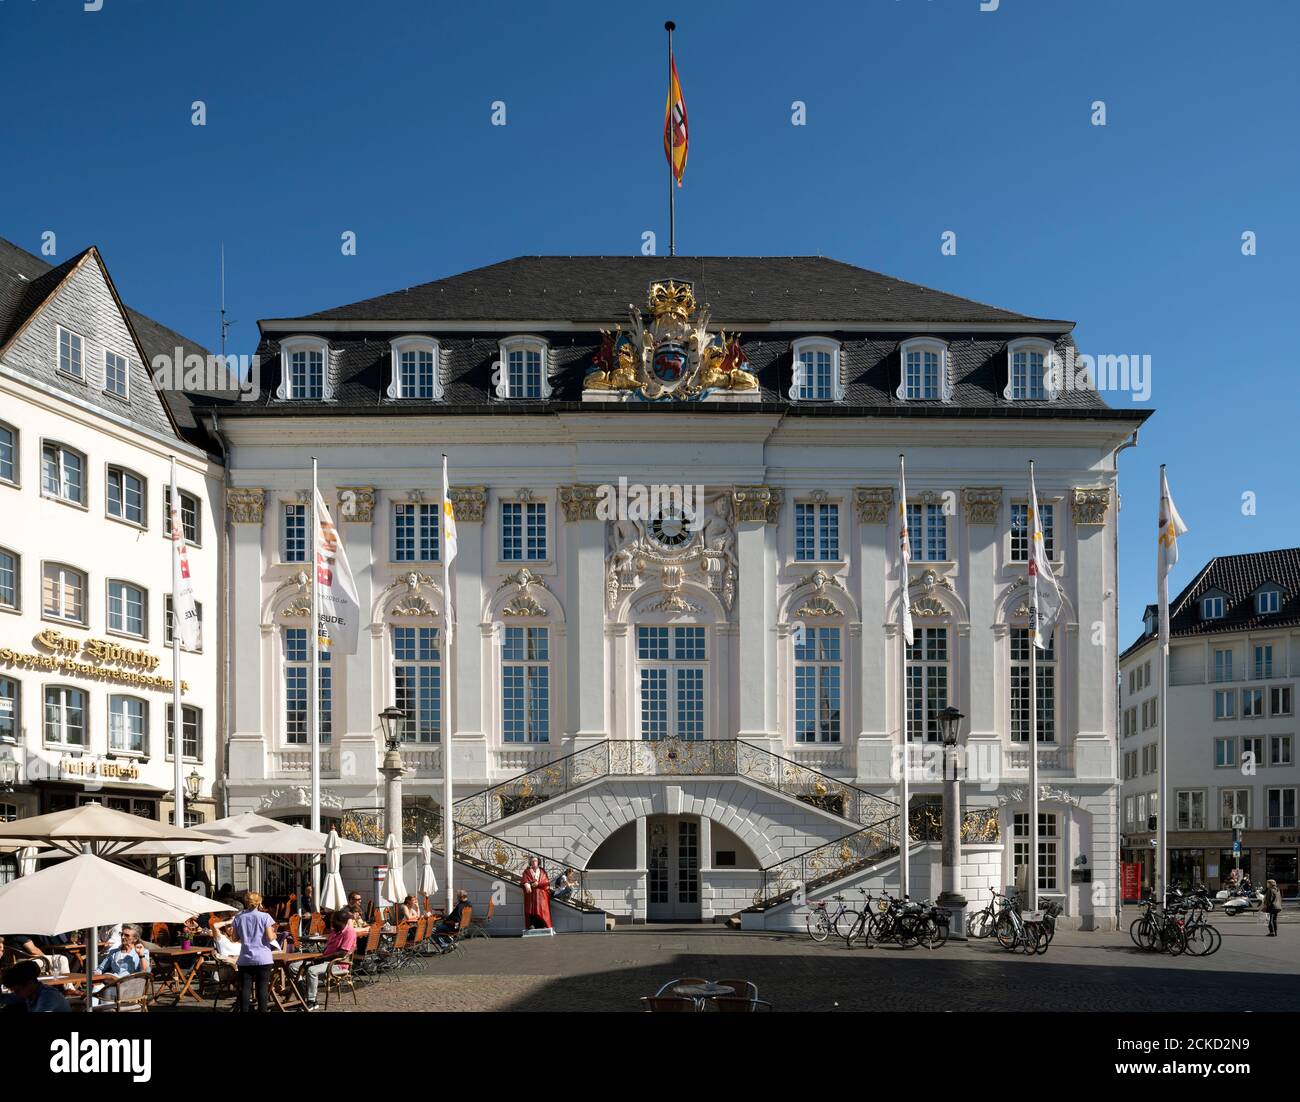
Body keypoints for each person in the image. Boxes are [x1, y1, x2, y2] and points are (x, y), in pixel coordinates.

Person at [292, 910, 355, 1010]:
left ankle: (312, 1001)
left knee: (312, 971)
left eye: (333, 921)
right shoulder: (334, 931)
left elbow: (342, 953)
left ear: (342, 921)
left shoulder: (349, 932)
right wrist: (317, 958)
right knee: (293, 967)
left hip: (337, 964)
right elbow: (326, 950)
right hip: (324, 960)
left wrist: (321, 958)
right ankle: (303, 996)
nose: (331, 923)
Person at [232, 891, 278, 1012]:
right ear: (259, 902)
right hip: (263, 958)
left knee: (245, 989)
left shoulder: (239, 917)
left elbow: (234, 938)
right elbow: (269, 937)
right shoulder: (265, 917)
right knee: (262, 989)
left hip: (245, 958)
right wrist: (274, 935)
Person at [1, 961, 70, 1012]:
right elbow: (7, 998)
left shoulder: (48, 996)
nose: (16, 994)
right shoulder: (30, 992)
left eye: (17, 991)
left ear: (30, 983)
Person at [522, 857, 551, 930]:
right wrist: (527, 885)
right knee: (531, 909)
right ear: (530, 862)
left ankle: (543, 924)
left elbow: (546, 881)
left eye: (535, 861)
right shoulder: (527, 871)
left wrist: (538, 883)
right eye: (532, 861)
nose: (533, 862)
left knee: (542, 909)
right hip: (531, 894)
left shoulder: (542, 871)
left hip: (541, 894)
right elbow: (524, 880)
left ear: (538, 862)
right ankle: (532, 924)